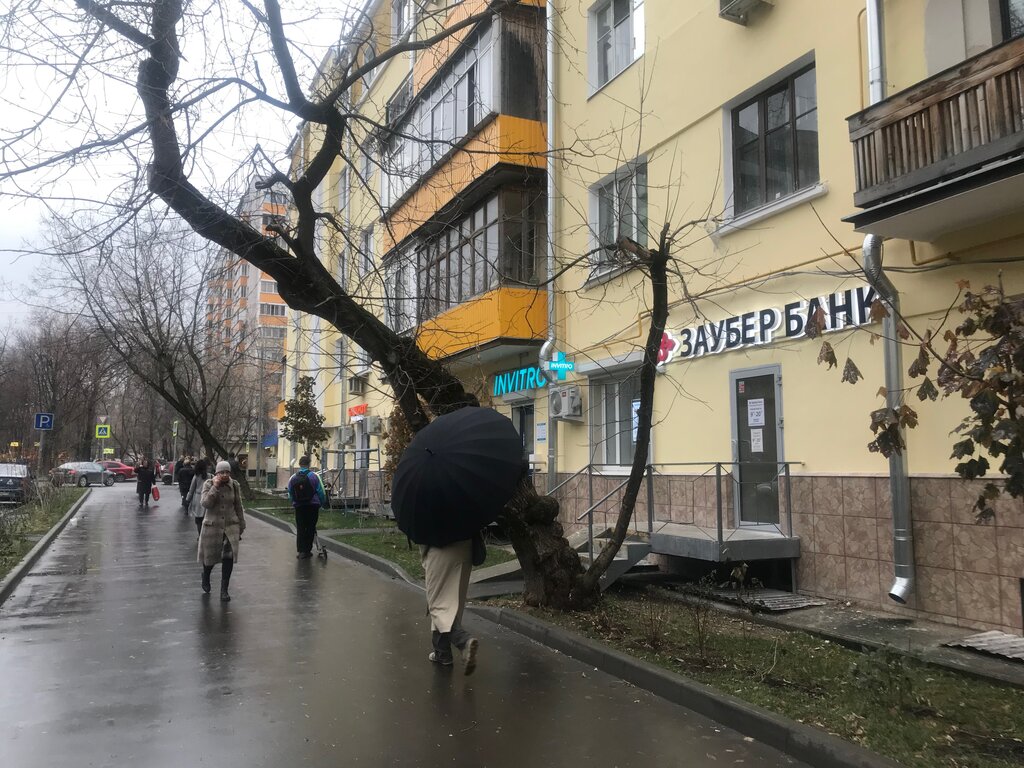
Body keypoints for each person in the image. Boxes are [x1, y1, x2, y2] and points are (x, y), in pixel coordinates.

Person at [421, 532, 482, 675]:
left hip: (441, 549)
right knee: (453, 602)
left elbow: (423, 536)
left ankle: (464, 641)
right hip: (465, 549)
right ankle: (442, 653)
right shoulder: (462, 509)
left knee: (438, 605)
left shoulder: (430, 509)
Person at [198, 460, 245, 601]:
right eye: (221, 472)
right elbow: (205, 503)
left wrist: (241, 524)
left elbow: (238, 506)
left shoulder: (235, 485)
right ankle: (205, 576)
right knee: (210, 559)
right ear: (216, 473)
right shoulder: (208, 484)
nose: (225, 475)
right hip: (212, 527)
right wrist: (215, 488)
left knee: (228, 559)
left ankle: (224, 590)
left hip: (231, 526)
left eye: (227, 472)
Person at [287, 455, 327, 559]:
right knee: (310, 527)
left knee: (300, 528)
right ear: (309, 464)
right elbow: (321, 491)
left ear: (299, 464)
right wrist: (322, 503)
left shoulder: (293, 478)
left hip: (299, 506)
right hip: (313, 506)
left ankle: (301, 552)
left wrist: (294, 502)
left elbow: (290, 493)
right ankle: (308, 550)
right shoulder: (314, 476)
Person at [185, 458, 210, 536]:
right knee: (207, 518)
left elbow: (191, 489)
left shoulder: (196, 477)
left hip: (198, 499)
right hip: (207, 498)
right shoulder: (210, 476)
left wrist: (187, 500)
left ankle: (200, 535)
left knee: (198, 519)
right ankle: (206, 534)